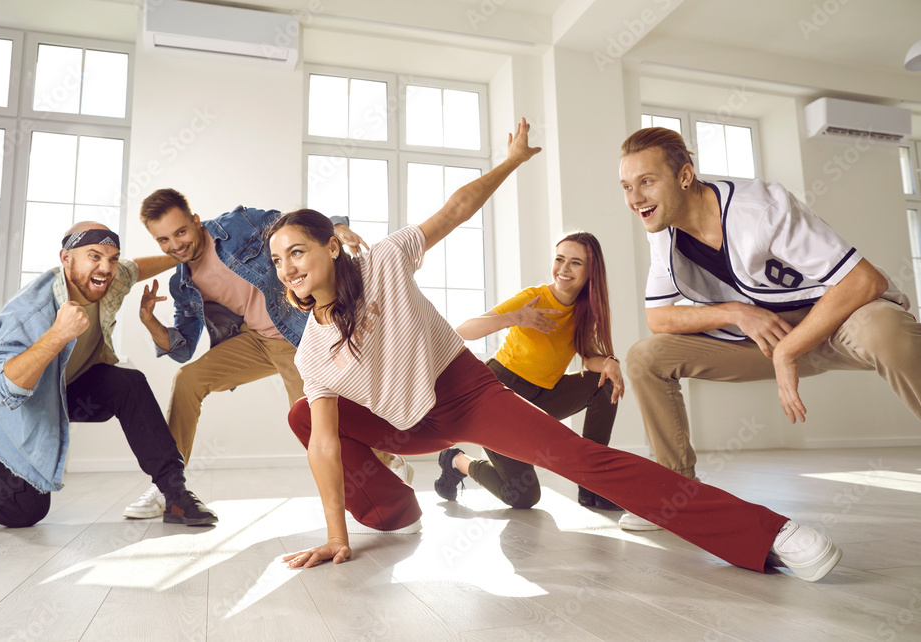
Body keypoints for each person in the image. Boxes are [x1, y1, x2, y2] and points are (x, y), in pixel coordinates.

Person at [269, 118, 842, 583]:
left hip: (467, 395)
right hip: (407, 426)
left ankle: (768, 534)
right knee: (303, 413)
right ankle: (397, 510)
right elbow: (323, 440)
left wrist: (513, 161)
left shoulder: (383, 263)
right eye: (278, 260)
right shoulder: (312, 351)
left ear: (332, 246)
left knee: (579, 459)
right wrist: (336, 537)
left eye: (297, 251)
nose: (288, 268)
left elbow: (457, 208)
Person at [618, 126, 921, 530]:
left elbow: (864, 281)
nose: (635, 198)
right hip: (766, 337)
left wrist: (788, 350)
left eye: (647, 182)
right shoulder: (663, 231)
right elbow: (659, 319)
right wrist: (736, 313)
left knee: (886, 332)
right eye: (626, 186)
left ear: (685, 176)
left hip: (839, 318)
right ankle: (677, 495)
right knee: (645, 358)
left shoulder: (759, 208)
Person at [125, 190, 411, 519]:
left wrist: (335, 226)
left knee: (312, 424)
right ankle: (168, 487)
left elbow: (297, 227)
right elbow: (183, 347)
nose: (175, 245)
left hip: (295, 333)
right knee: (187, 379)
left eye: (180, 232)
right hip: (254, 341)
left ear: (195, 220)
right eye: (163, 240)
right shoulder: (182, 283)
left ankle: (386, 466)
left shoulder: (238, 225)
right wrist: (149, 322)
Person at [0, 223, 216, 528]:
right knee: (22, 511)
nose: (106, 266)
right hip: (16, 408)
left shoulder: (107, 279)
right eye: (94, 256)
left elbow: (134, 268)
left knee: (129, 383)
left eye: (112, 257)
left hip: (66, 389)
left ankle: (175, 494)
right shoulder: (29, 311)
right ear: (65, 258)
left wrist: (182, 254)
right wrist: (58, 335)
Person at [438, 232, 624, 511]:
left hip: (542, 398)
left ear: (591, 271)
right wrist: (517, 317)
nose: (563, 269)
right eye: (560, 259)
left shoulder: (585, 309)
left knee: (604, 383)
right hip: (498, 398)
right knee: (523, 497)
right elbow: (464, 330)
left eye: (575, 263)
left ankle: (592, 484)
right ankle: (456, 461)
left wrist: (609, 362)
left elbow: (586, 356)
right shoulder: (534, 298)